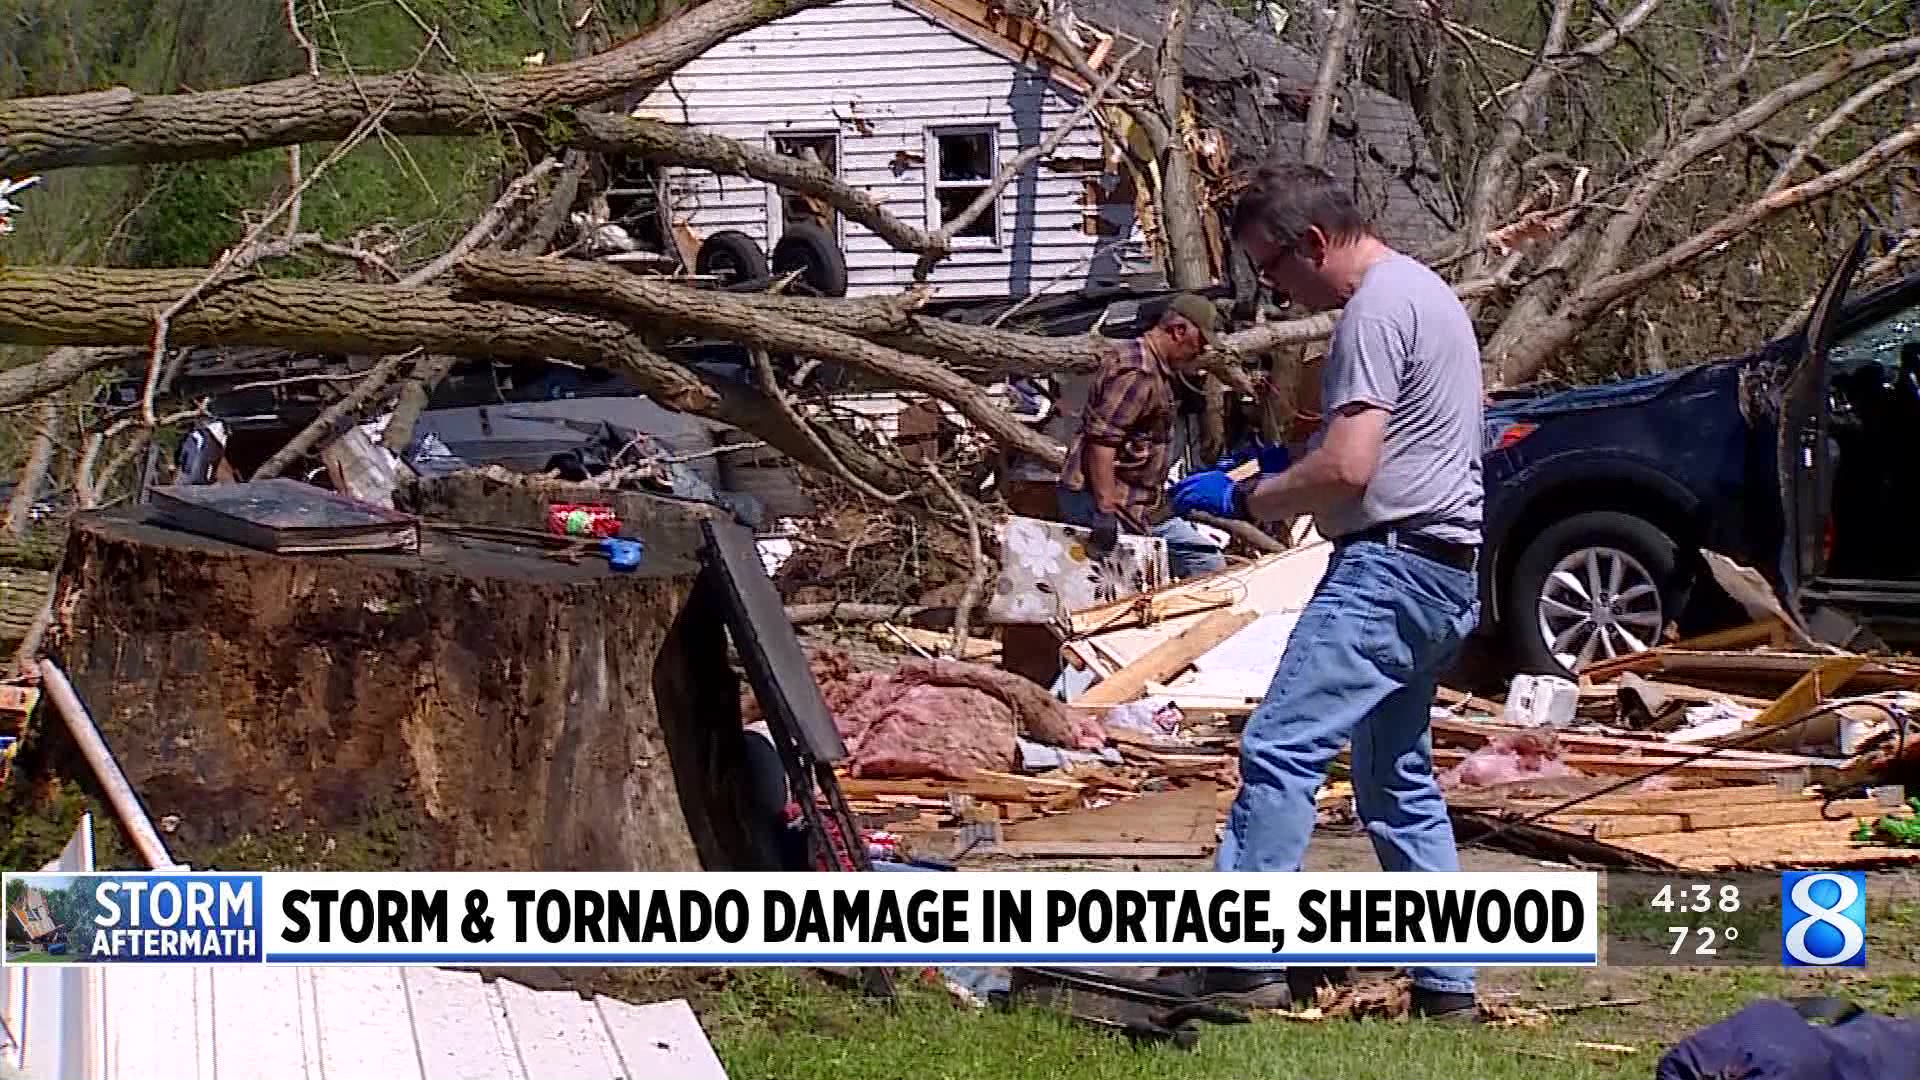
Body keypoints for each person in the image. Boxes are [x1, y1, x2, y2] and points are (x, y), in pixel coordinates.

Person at [1158, 162, 1487, 1021]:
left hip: (1389, 569)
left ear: (1312, 242)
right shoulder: (1428, 293)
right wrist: (1284, 466)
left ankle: (1235, 963)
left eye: (1274, 269)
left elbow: (1349, 467)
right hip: (1445, 567)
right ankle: (1448, 987)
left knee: (1280, 748)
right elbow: (1400, 445)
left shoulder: (1372, 310)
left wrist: (1246, 496)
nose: (1276, 289)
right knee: (1396, 776)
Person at [1055, 293, 1230, 580]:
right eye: (1200, 343)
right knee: (1115, 588)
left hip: (1138, 504)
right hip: (1109, 503)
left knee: (1202, 559)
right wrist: (1105, 510)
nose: (1200, 352)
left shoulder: (1150, 365)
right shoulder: (1138, 371)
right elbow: (1102, 442)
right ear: (1178, 331)